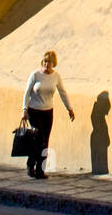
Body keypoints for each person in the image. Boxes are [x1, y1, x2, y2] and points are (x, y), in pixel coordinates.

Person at [21, 50, 75, 179]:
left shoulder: (56, 77)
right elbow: (27, 93)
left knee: (45, 141)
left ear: (53, 63)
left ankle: (40, 170)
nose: (46, 64)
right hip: (34, 111)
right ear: (42, 62)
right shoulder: (35, 75)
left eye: (49, 62)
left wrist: (69, 109)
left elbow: (63, 92)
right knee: (38, 140)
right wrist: (24, 110)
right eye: (45, 61)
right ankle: (30, 164)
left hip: (48, 112)